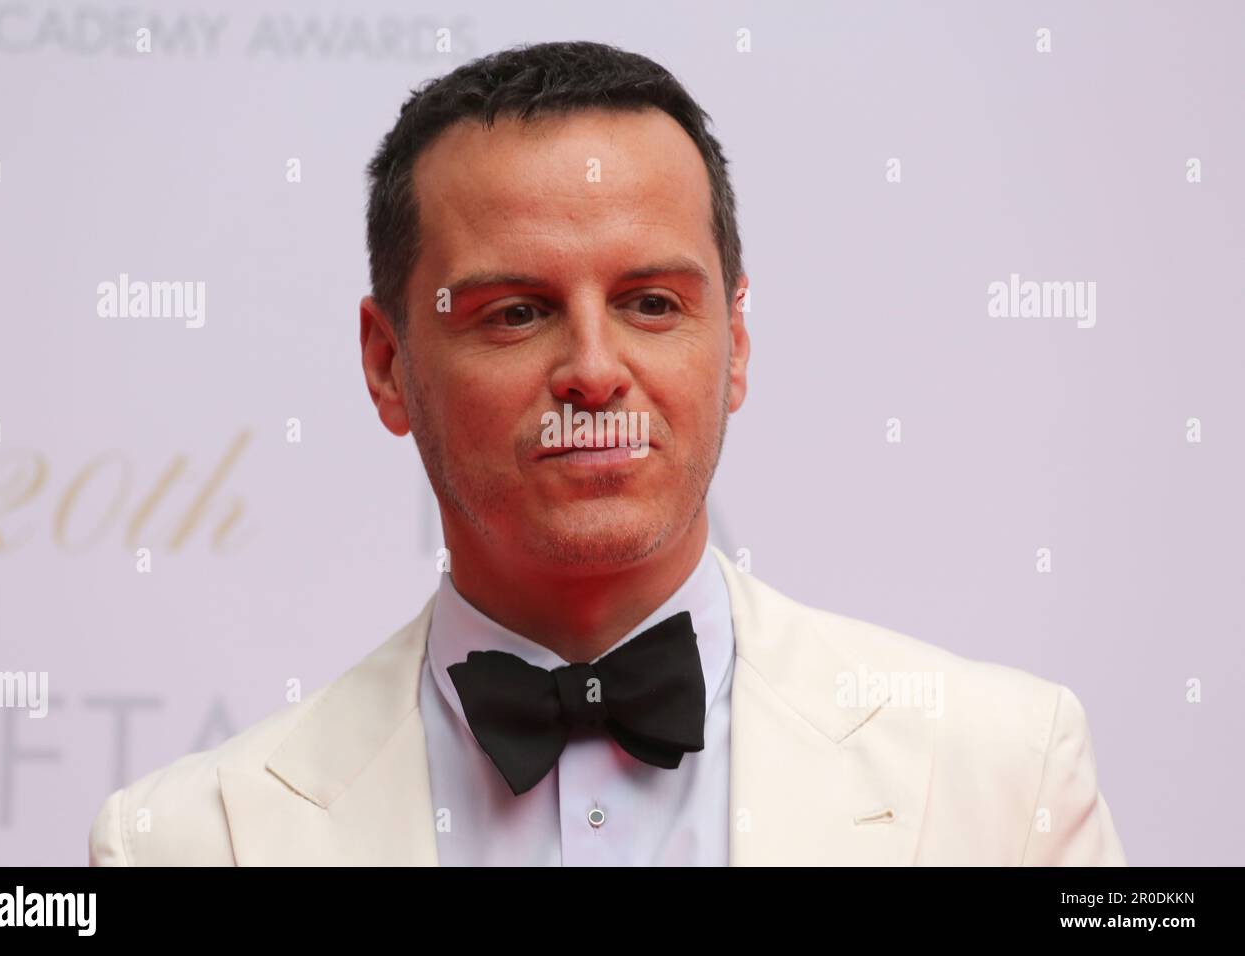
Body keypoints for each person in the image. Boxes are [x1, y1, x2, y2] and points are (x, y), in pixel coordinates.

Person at [89, 40, 1125, 866]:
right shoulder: (186, 845)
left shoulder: (1004, 775)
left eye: (650, 303)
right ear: (386, 362)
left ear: (736, 347)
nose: (593, 367)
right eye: (517, 311)